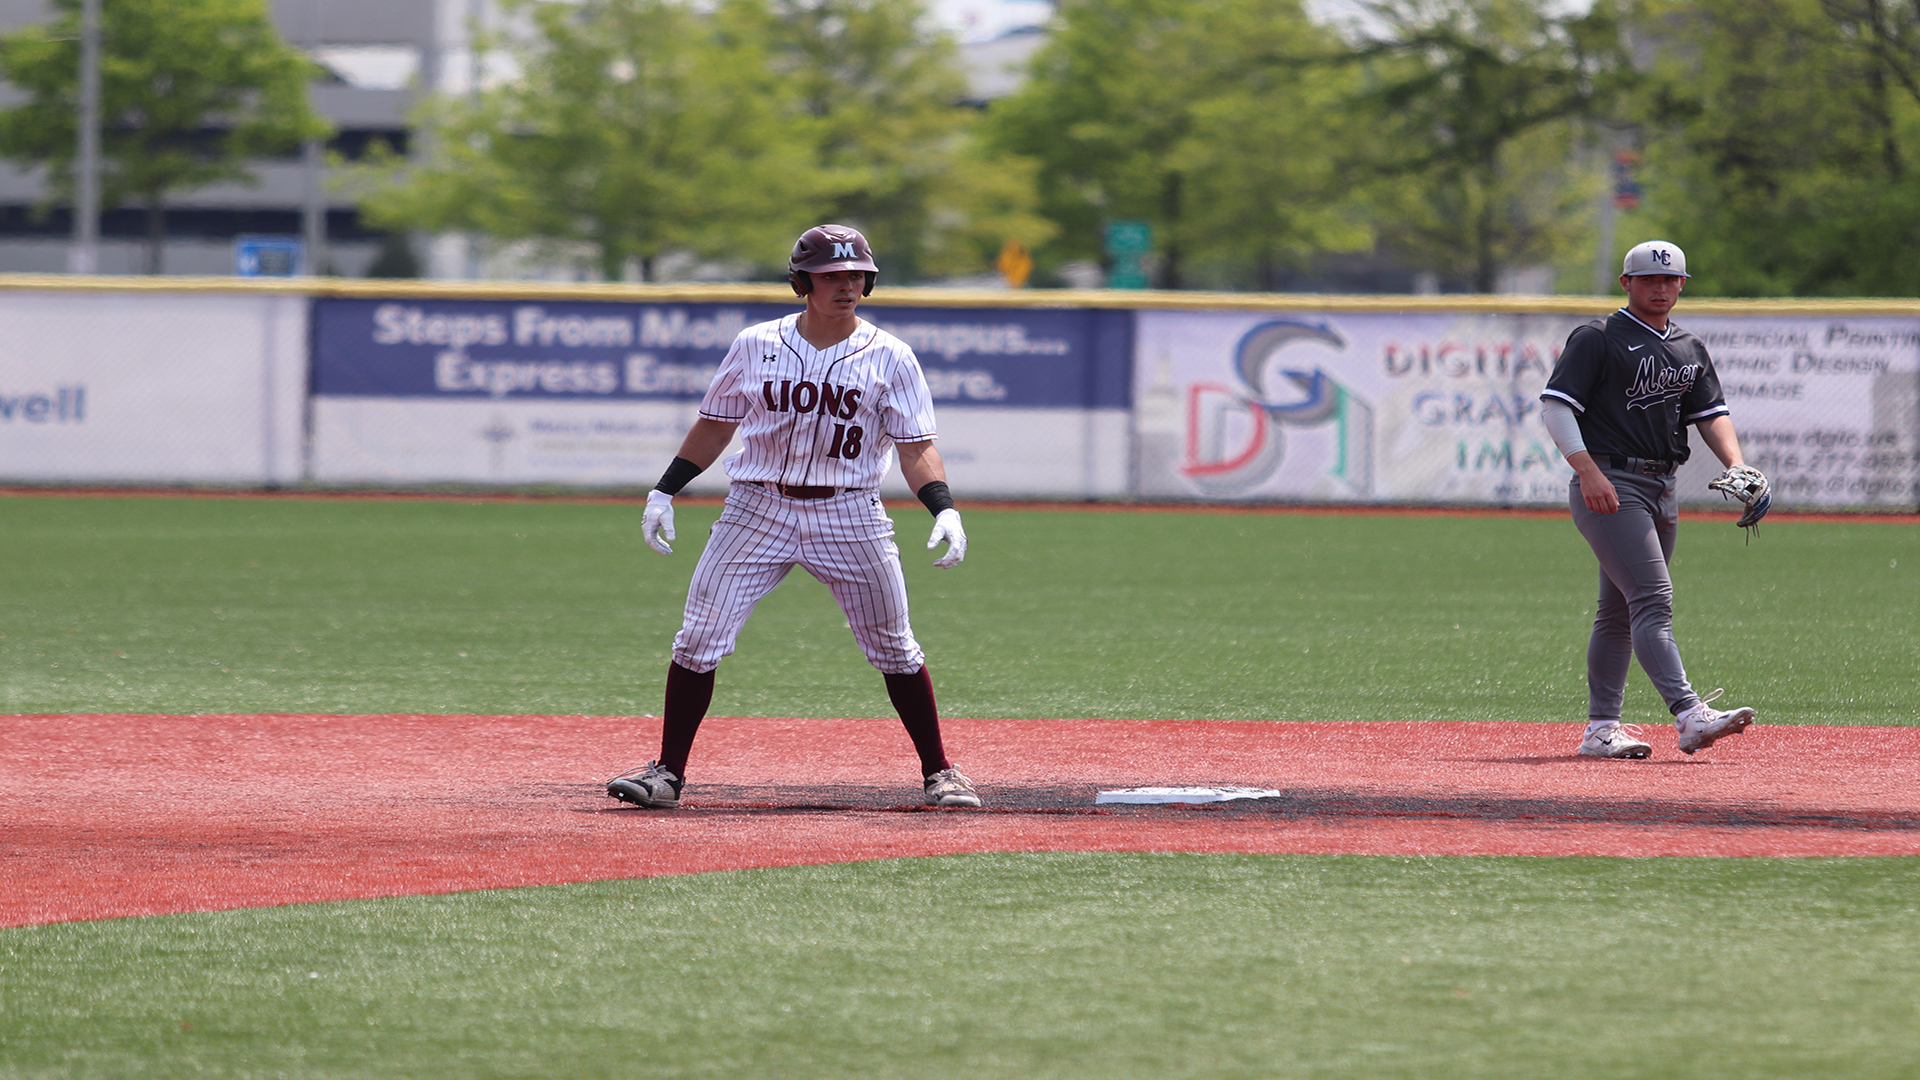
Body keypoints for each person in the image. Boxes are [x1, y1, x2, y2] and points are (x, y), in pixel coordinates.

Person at [606, 224, 980, 808]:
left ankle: (941, 773)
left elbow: (914, 445)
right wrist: (665, 490)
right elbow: (717, 424)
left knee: (895, 647)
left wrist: (945, 508)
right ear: (803, 281)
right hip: (757, 509)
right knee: (698, 638)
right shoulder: (757, 343)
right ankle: (666, 773)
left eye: (857, 275)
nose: (847, 285)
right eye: (832, 275)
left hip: (851, 514)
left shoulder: (891, 356)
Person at [1538, 240, 1760, 759]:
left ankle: (1600, 730)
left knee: (1618, 611)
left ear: (1682, 284)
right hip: (1612, 482)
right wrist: (1587, 471)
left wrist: (1737, 465)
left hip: (1663, 485)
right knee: (1653, 599)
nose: (1660, 288)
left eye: (1669, 280)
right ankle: (1689, 715)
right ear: (1627, 284)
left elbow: (1711, 414)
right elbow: (1555, 407)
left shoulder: (1687, 345)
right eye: (1648, 280)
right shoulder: (1598, 337)